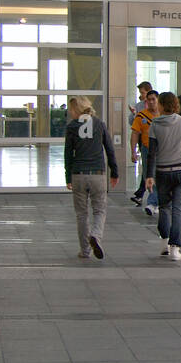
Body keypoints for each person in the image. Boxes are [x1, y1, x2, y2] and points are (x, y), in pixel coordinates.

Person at [64, 96, 119, 259]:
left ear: (77, 109)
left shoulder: (72, 126)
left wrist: (68, 176)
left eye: (71, 109)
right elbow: (110, 150)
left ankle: (85, 250)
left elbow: (68, 154)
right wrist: (114, 172)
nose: (70, 113)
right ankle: (96, 234)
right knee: (99, 210)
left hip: (78, 174)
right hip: (97, 174)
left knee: (81, 214)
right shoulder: (100, 124)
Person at [145, 92, 181, 262]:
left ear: (160, 105)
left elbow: (151, 153)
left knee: (164, 207)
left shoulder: (154, 125)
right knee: (178, 209)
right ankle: (176, 248)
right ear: (175, 105)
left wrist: (149, 176)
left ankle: (164, 243)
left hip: (162, 171)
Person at [130, 90, 160, 216]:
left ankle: (154, 202)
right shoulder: (141, 116)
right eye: (149, 100)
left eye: (154, 99)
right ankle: (154, 202)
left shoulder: (164, 115)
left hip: (162, 150)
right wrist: (133, 152)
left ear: (158, 100)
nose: (151, 102)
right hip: (147, 149)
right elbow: (135, 134)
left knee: (160, 176)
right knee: (148, 176)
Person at [129, 81, 152, 203]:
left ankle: (142, 193)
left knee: (150, 168)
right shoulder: (139, 106)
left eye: (142, 92)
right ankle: (142, 193)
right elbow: (133, 125)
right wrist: (133, 114)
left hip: (154, 141)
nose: (141, 95)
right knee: (147, 168)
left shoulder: (158, 106)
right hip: (143, 140)